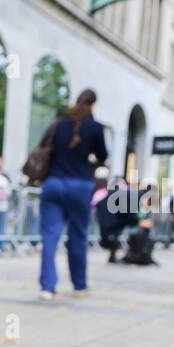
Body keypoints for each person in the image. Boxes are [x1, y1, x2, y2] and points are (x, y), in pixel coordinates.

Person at [36, 89, 107, 300]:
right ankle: (79, 285)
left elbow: (44, 147)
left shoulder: (58, 124)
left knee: (49, 237)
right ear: (93, 105)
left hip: (54, 183)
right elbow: (103, 156)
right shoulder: (95, 128)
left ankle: (47, 287)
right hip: (80, 185)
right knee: (78, 236)